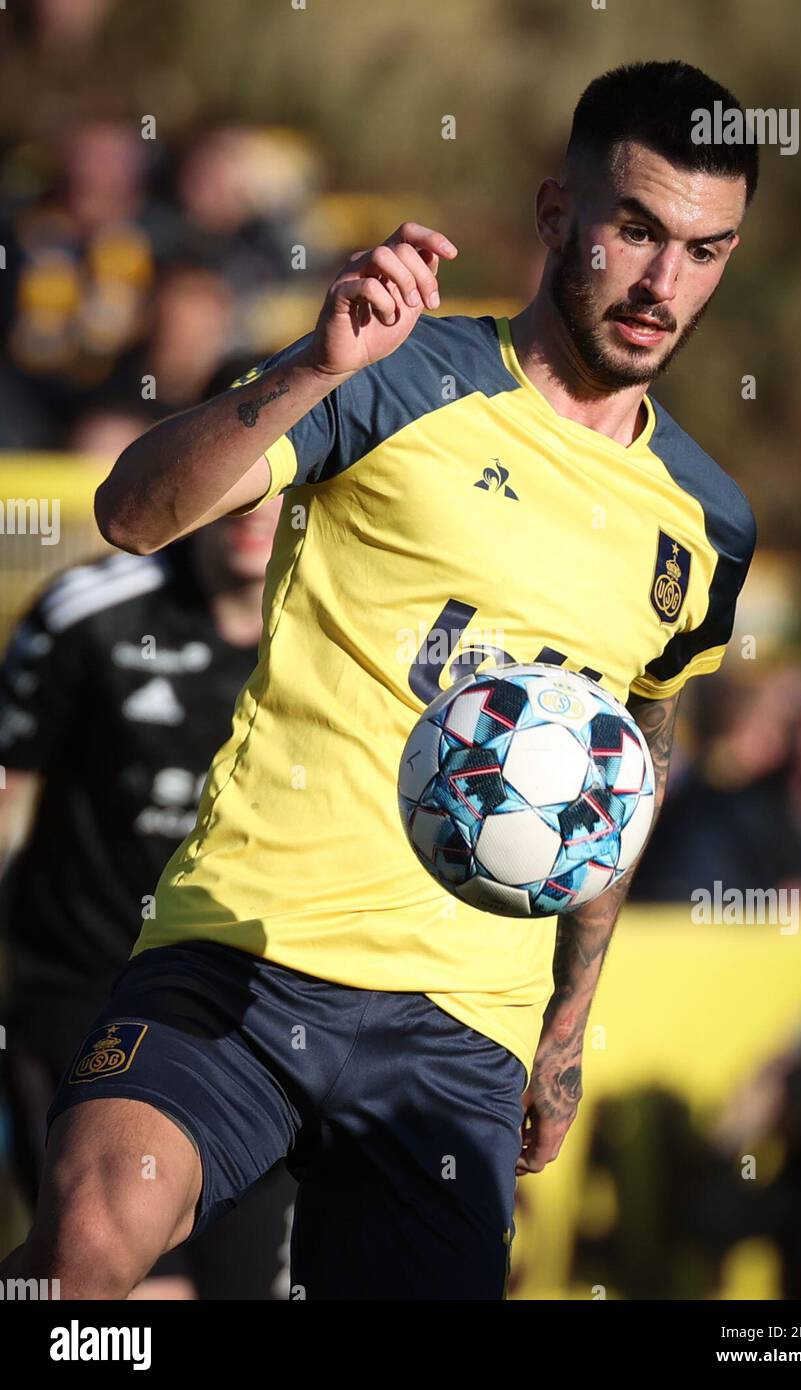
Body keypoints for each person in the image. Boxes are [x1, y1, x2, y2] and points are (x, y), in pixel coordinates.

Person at [1, 59, 759, 1300]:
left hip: (458, 1032)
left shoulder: (710, 520)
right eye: (635, 228)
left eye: (705, 249)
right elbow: (133, 512)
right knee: (83, 1263)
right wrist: (314, 363)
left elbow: (643, 749)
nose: (663, 284)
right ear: (557, 211)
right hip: (246, 951)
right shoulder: (402, 375)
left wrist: (564, 1031)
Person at [0, 499, 298, 1298]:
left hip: (254, 1014)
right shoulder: (91, 613)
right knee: (118, 1284)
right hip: (85, 994)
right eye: (240, 485)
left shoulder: (343, 630)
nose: (259, 509)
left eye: (283, 479)